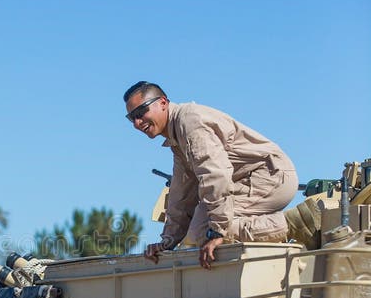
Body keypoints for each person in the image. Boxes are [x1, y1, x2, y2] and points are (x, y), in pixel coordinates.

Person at [124, 81, 298, 269]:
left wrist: (217, 231)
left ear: (163, 103)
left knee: (204, 229)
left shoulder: (190, 123)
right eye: (131, 117)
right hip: (259, 177)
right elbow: (181, 194)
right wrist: (168, 242)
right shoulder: (177, 137)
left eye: (141, 113)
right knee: (199, 229)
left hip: (270, 176)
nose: (137, 123)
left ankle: (296, 224)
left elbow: (215, 175)